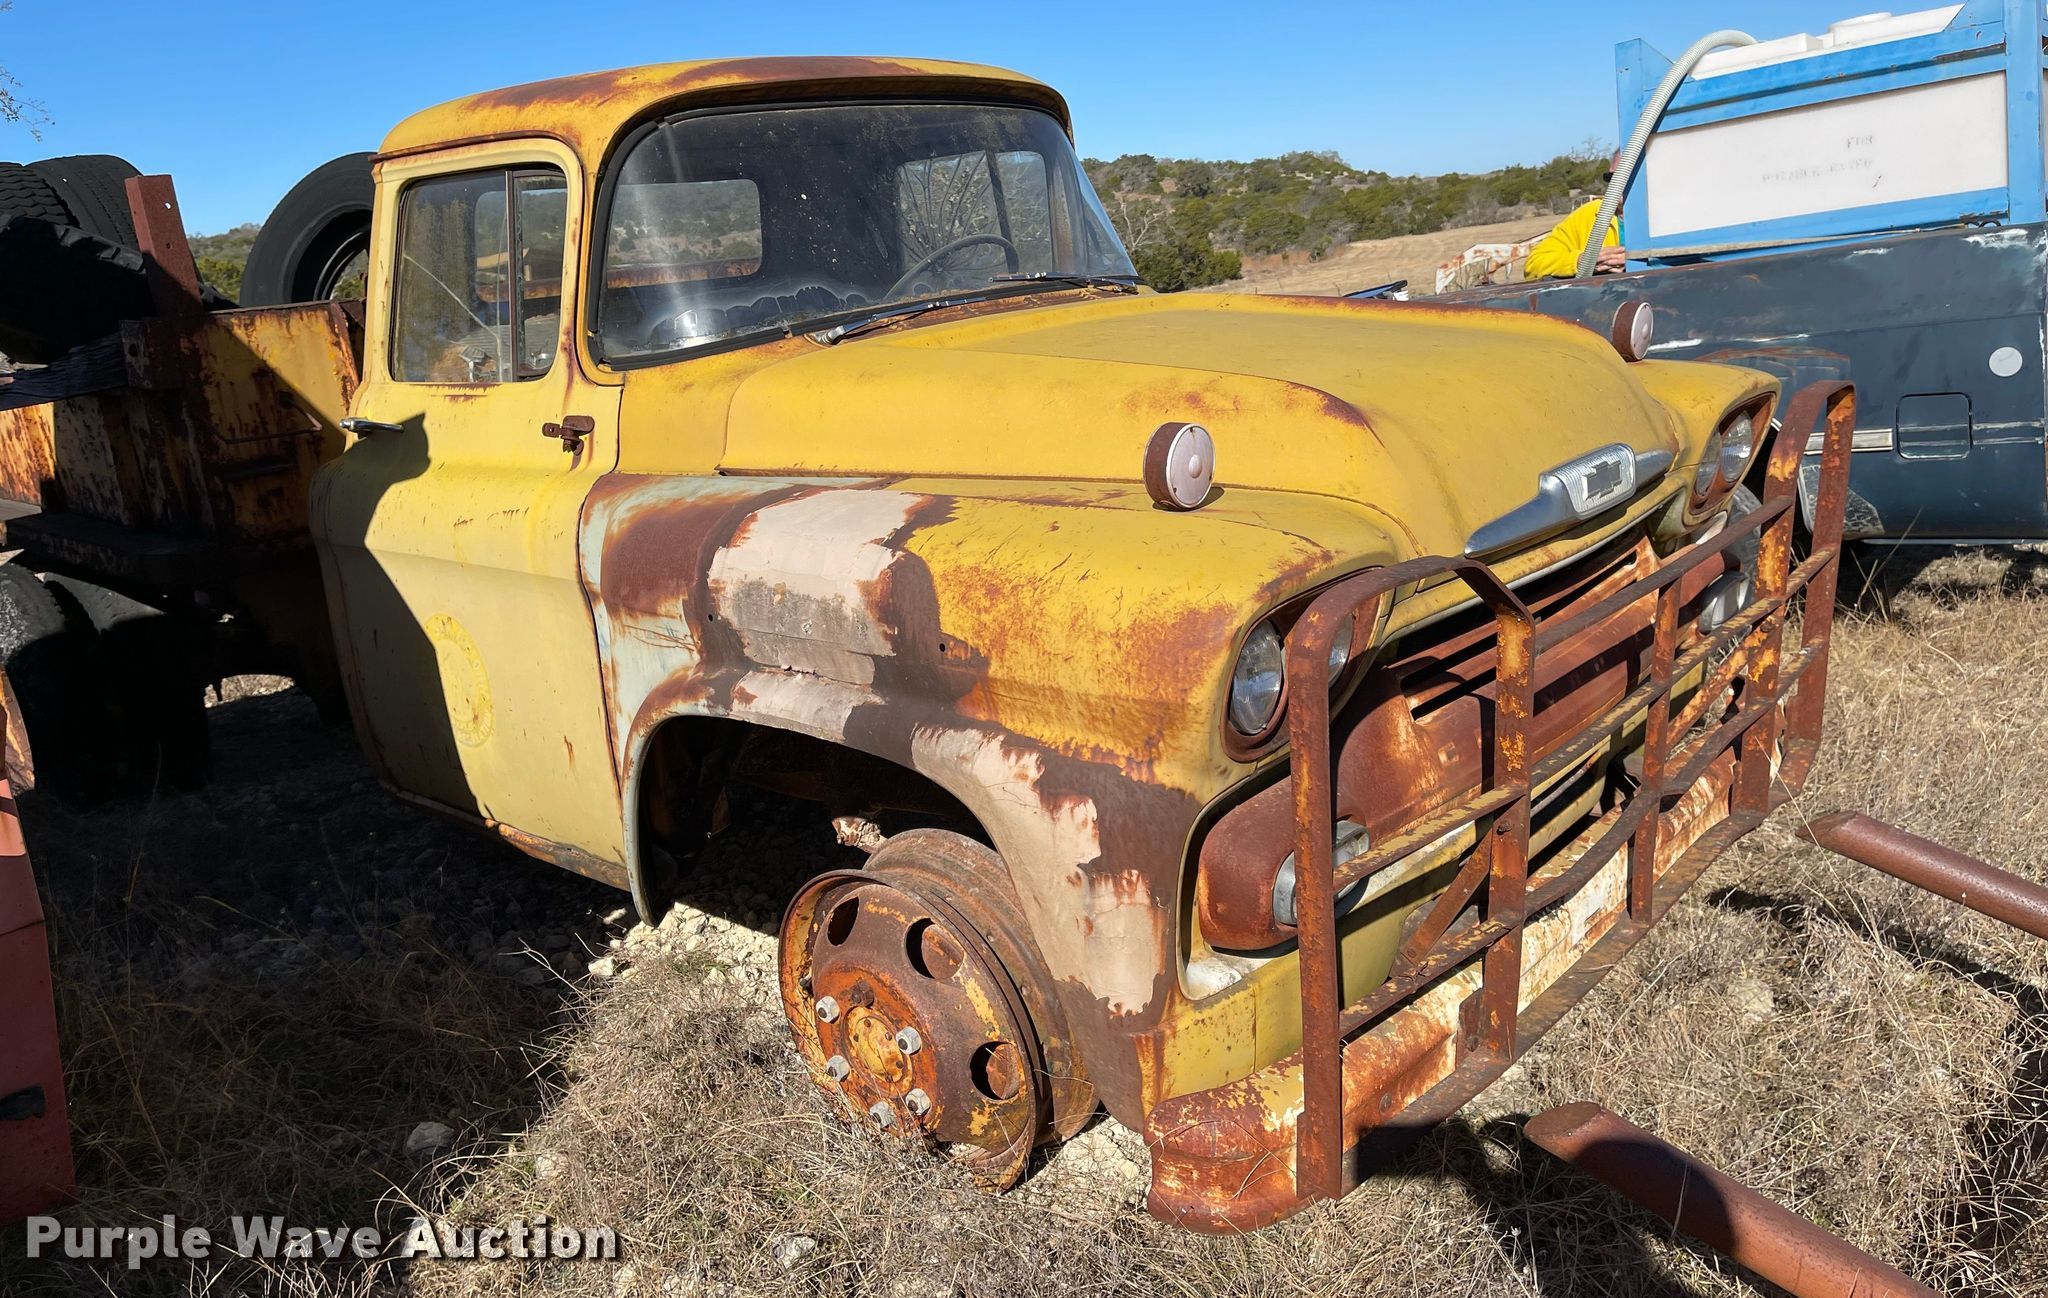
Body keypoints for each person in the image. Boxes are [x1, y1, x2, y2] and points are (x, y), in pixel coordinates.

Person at [1523, 159, 1627, 279]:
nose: (1619, 183)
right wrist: (1580, 261)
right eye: (1612, 177)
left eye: (1627, 176)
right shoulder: (1589, 214)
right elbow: (1533, 264)